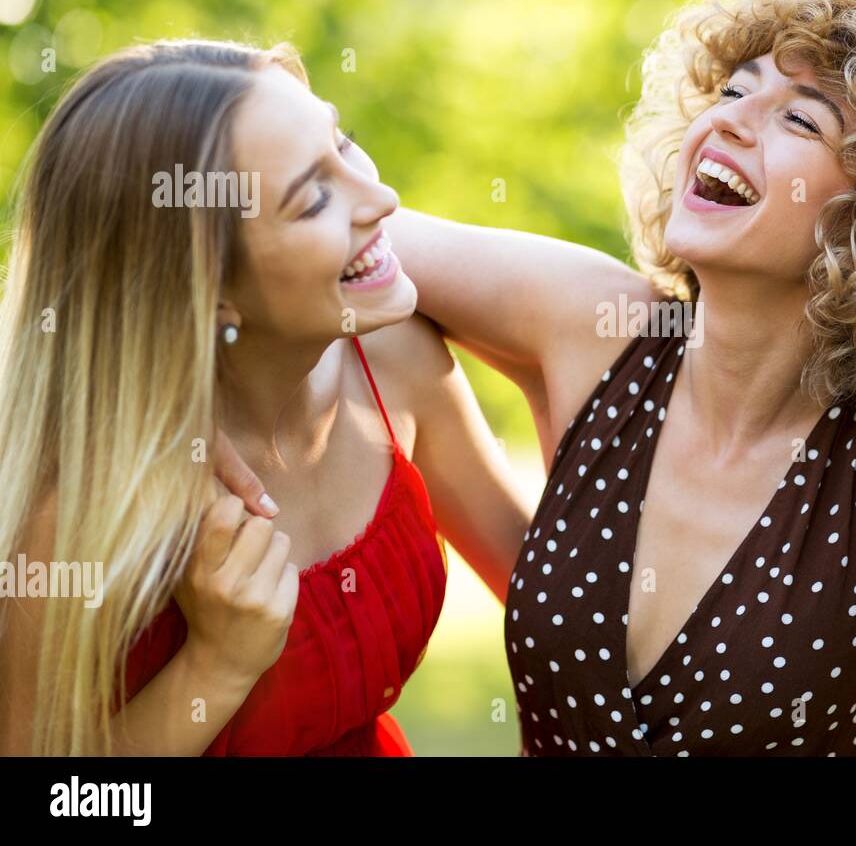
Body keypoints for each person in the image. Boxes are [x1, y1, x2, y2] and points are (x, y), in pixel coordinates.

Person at [387, 0, 856, 755]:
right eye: (731, 91)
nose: (733, 122)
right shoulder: (599, 327)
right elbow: (334, 228)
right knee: (379, 333)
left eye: (800, 120)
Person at [0, 39, 530, 755]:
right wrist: (216, 667)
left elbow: (547, 601)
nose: (383, 199)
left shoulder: (394, 357)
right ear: (206, 290)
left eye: (345, 142)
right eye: (314, 196)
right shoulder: (71, 515)